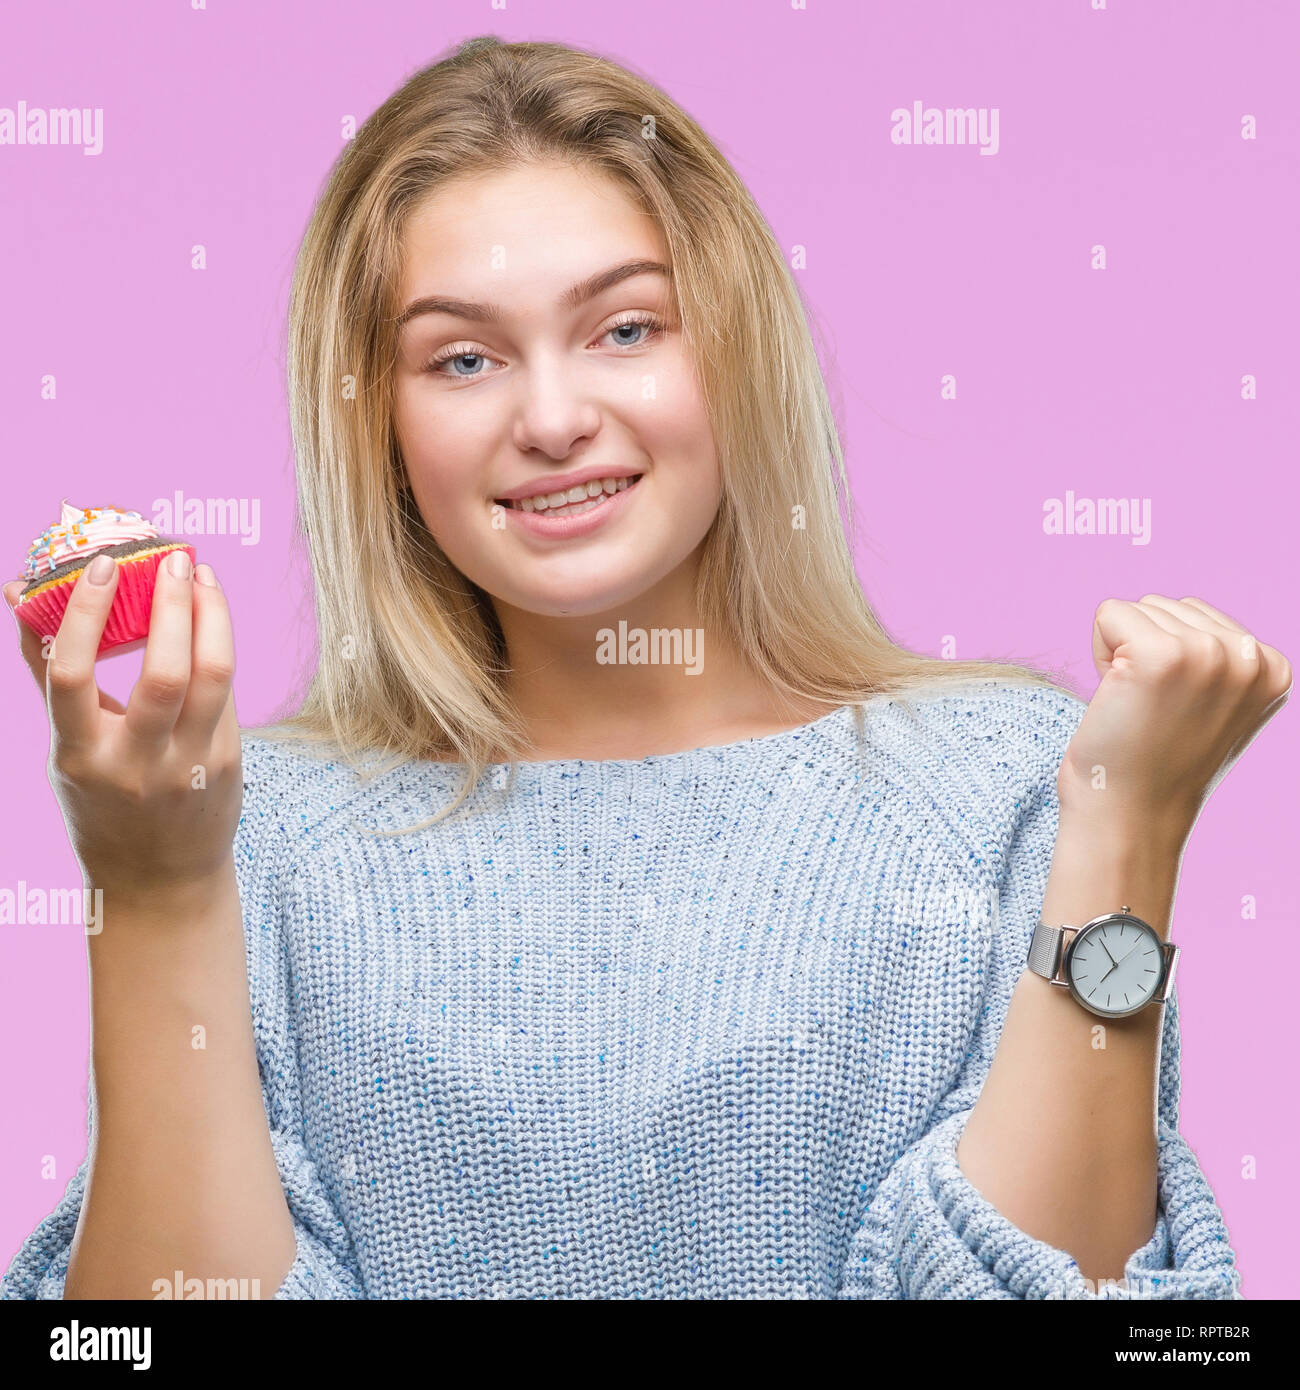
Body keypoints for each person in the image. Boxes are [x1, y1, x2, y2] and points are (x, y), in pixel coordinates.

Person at [2, 36, 1288, 1300]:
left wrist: (1129, 830)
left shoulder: (1009, 781)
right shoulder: (257, 833)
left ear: (729, 352)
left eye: (624, 329)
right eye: (462, 356)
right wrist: (156, 890)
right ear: (383, 431)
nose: (553, 417)